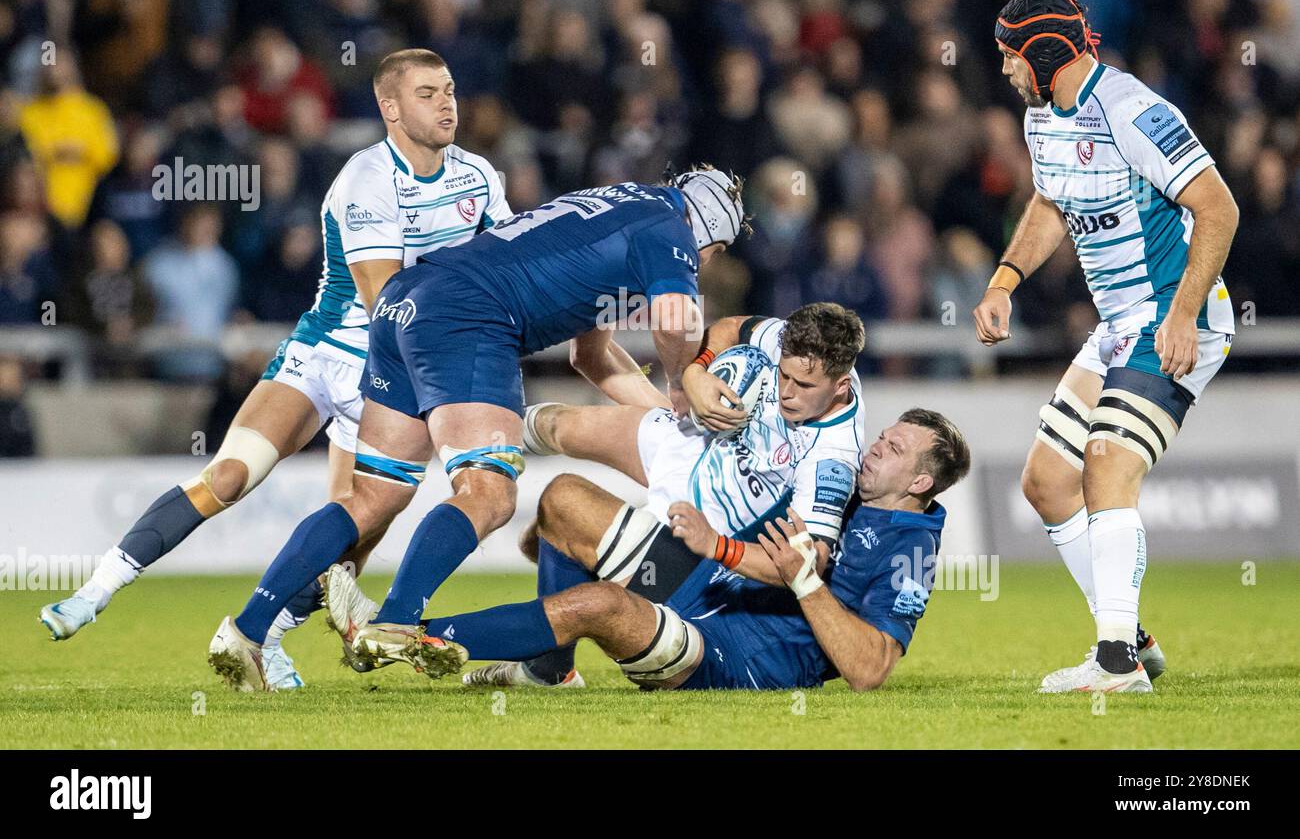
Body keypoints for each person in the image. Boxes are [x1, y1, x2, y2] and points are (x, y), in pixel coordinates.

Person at [39, 49, 509, 690]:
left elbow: (510, 268)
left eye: (450, 89)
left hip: (397, 374)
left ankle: (267, 637)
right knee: (228, 476)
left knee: (352, 539)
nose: (447, 102)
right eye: (428, 93)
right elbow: (385, 302)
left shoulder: (479, 177)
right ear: (389, 108)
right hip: (329, 357)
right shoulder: (366, 178)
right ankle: (95, 591)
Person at [207, 165, 747, 692]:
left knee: (373, 495)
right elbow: (677, 321)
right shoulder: (669, 228)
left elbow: (593, 356)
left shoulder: (620, 210)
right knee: (489, 494)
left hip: (406, 302)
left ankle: (247, 631)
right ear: (707, 232)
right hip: (472, 317)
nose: (705, 263)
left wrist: (667, 422)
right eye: (714, 252)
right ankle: (395, 621)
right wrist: (685, 382)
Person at [973, 0, 1239, 693]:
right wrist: (1004, 280)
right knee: (1047, 481)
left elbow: (1218, 206)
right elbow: (1051, 202)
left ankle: (1115, 662)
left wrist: (1180, 315)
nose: (1003, 69)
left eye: (1009, 56)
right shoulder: (1041, 120)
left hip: (1174, 314)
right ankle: (1134, 637)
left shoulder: (1132, 110)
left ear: (1043, 53)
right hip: (1121, 323)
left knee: (1105, 467)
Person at [321, 410, 969, 693]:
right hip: (707, 584)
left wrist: (805, 584)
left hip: (739, 658)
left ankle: (406, 636)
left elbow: (871, 668)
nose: (876, 446)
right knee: (566, 497)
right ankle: (550, 669)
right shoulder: (835, 487)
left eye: (895, 448)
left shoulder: (909, 547)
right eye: (882, 435)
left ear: (919, 483)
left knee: (600, 603)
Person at [460, 301, 867, 688]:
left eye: (804, 385)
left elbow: (809, 563)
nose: (786, 392)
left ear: (841, 385)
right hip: (698, 446)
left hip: (696, 534)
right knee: (553, 424)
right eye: (783, 376)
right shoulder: (789, 338)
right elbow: (728, 329)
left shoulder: (833, 458)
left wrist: (719, 547)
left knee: (562, 520)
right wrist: (696, 374)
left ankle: (539, 661)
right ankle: (458, 437)